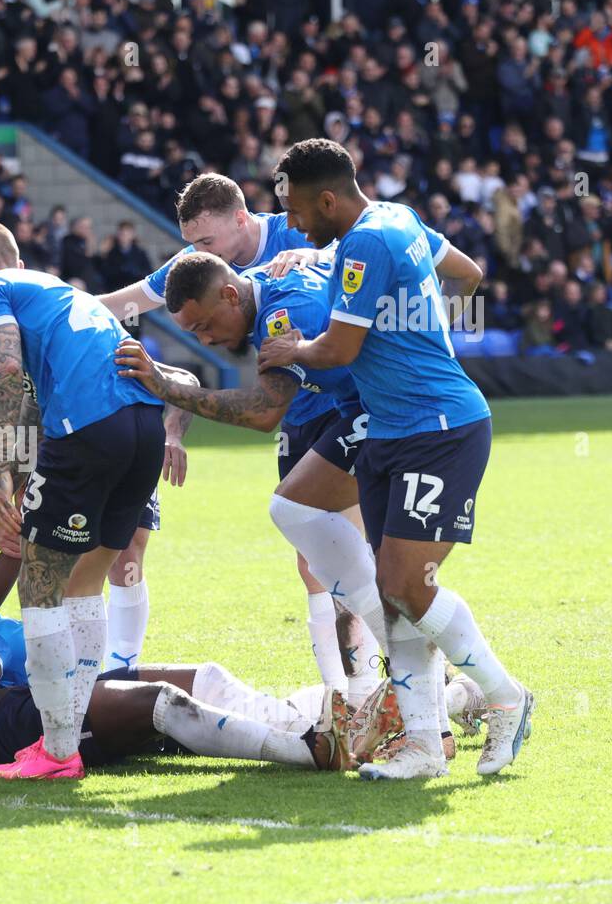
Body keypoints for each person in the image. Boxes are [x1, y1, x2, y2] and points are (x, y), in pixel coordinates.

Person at [258, 138, 533, 779]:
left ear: (329, 199)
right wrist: (427, 328)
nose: (293, 224)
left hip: (439, 428)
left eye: (298, 211)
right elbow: (467, 272)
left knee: (411, 585)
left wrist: (291, 350)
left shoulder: (365, 243)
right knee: (392, 591)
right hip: (390, 430)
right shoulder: (399, 218)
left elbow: (339, 350)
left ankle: (504, 697)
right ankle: (421, 744)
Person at [0, 508, 352, 774]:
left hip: (44, 693)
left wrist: (11, 543)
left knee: (200, 678)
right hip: (14, 723)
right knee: (160, 703)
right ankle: (308, 748)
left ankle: (339, 716)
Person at [114, 252, 404, 721]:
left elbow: (260, 412)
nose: (205, 338)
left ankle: (419, 691)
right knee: (322, 548)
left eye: (205, 325)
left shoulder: (282, 313)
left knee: (362, 559)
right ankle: (366, 696)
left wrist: (163, 385)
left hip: (395, 412)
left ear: (230, 295)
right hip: (352, 411)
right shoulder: (257, 288)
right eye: (194, 333)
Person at [0, 220, 165, 780]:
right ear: (19, 256)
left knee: (39, 587)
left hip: (90, 429)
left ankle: (56, 751)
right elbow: (33, 404)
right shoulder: (59, 291)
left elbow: (1, 367)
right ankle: (68, 736)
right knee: (85, 585)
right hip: (144, 425)